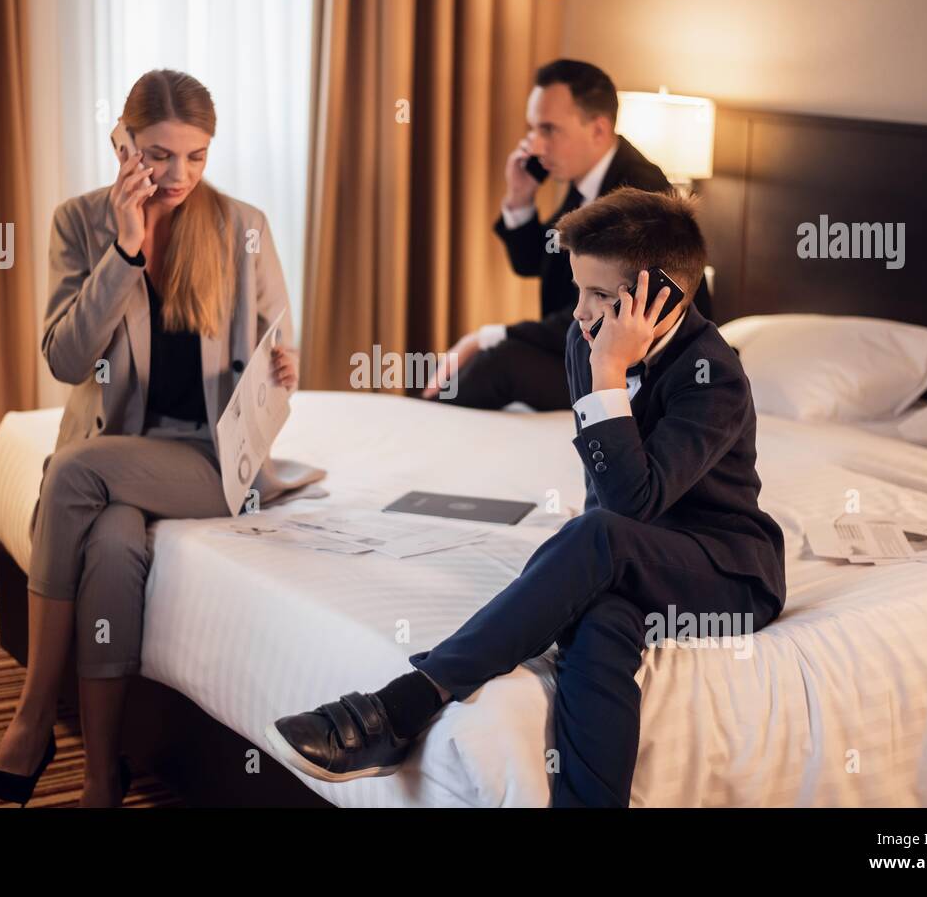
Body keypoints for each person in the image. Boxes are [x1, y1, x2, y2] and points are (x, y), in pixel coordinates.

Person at [267, 188, 785, 807]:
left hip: (724, 572)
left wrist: (609, 375)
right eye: (579, 289)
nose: (579, 311)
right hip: (630, 555)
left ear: (661, 296)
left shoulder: (714, 375)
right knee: (601, 623)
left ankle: (402, 705)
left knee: (596, 540)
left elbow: (628, 507)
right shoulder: (584, 340)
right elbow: (605, 497)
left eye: (599, 295)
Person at [0, 69, 322, 808]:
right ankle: (104, 777)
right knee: (113, 547)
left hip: (207, 459)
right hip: (119, 453)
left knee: (69, 474)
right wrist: (125, 252)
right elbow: (67, 360)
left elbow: (275, 352)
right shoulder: (80, 223)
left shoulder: (241, 225)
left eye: (196, 156)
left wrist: (285, 365)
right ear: (124, 144)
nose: (179, 175)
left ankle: (33, 719)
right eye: (160, 154)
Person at [422, 59, 670, 410]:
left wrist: (485, 336)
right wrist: (520, 198)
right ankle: (417, 420)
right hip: (585, 345)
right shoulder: (588, 183)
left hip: (638, 368)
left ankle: (420, 422)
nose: (536, 146)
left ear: (598, 130)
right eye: (533, 130)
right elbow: (534, 263)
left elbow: (603, 310)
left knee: (500, 361)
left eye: (549, 130)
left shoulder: (638, 192)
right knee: (491, 359)